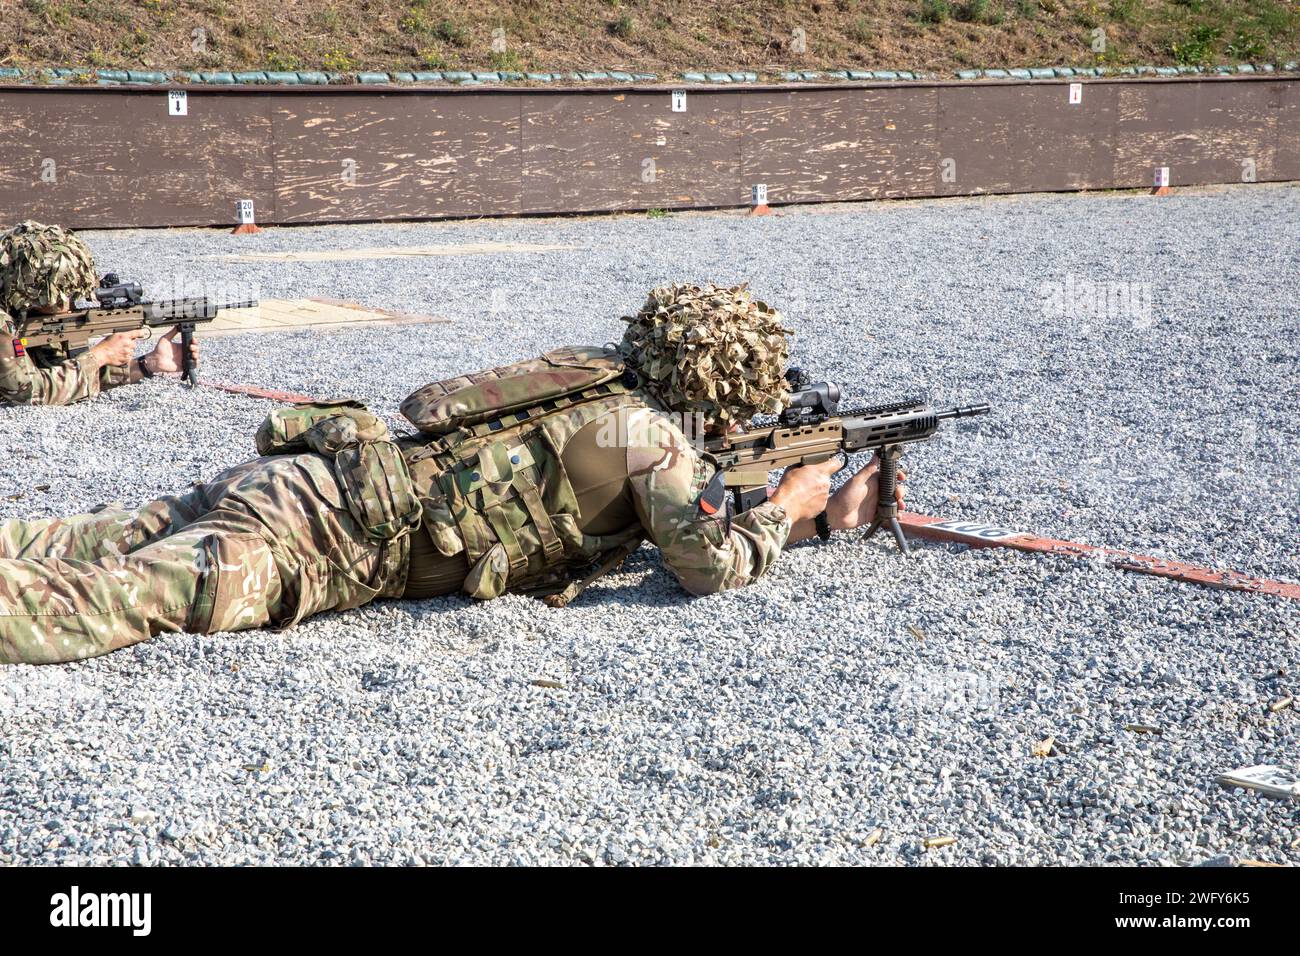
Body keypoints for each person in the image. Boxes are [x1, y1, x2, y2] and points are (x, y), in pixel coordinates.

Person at [0, 283, 904, 665]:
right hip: (320, 544)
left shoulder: (587, 373)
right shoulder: (655, 441)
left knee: (91, 534)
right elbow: (702, 564)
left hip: (310, 474)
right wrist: (789, 511)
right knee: (102, 601)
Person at [0, 221, 198, 406]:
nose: (67, 304)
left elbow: (63, 378)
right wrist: (100, 354)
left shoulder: (29, 313)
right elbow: (29, 393)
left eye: (71, 293)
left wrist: (148, 364)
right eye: (59, 296)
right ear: (27, 289)